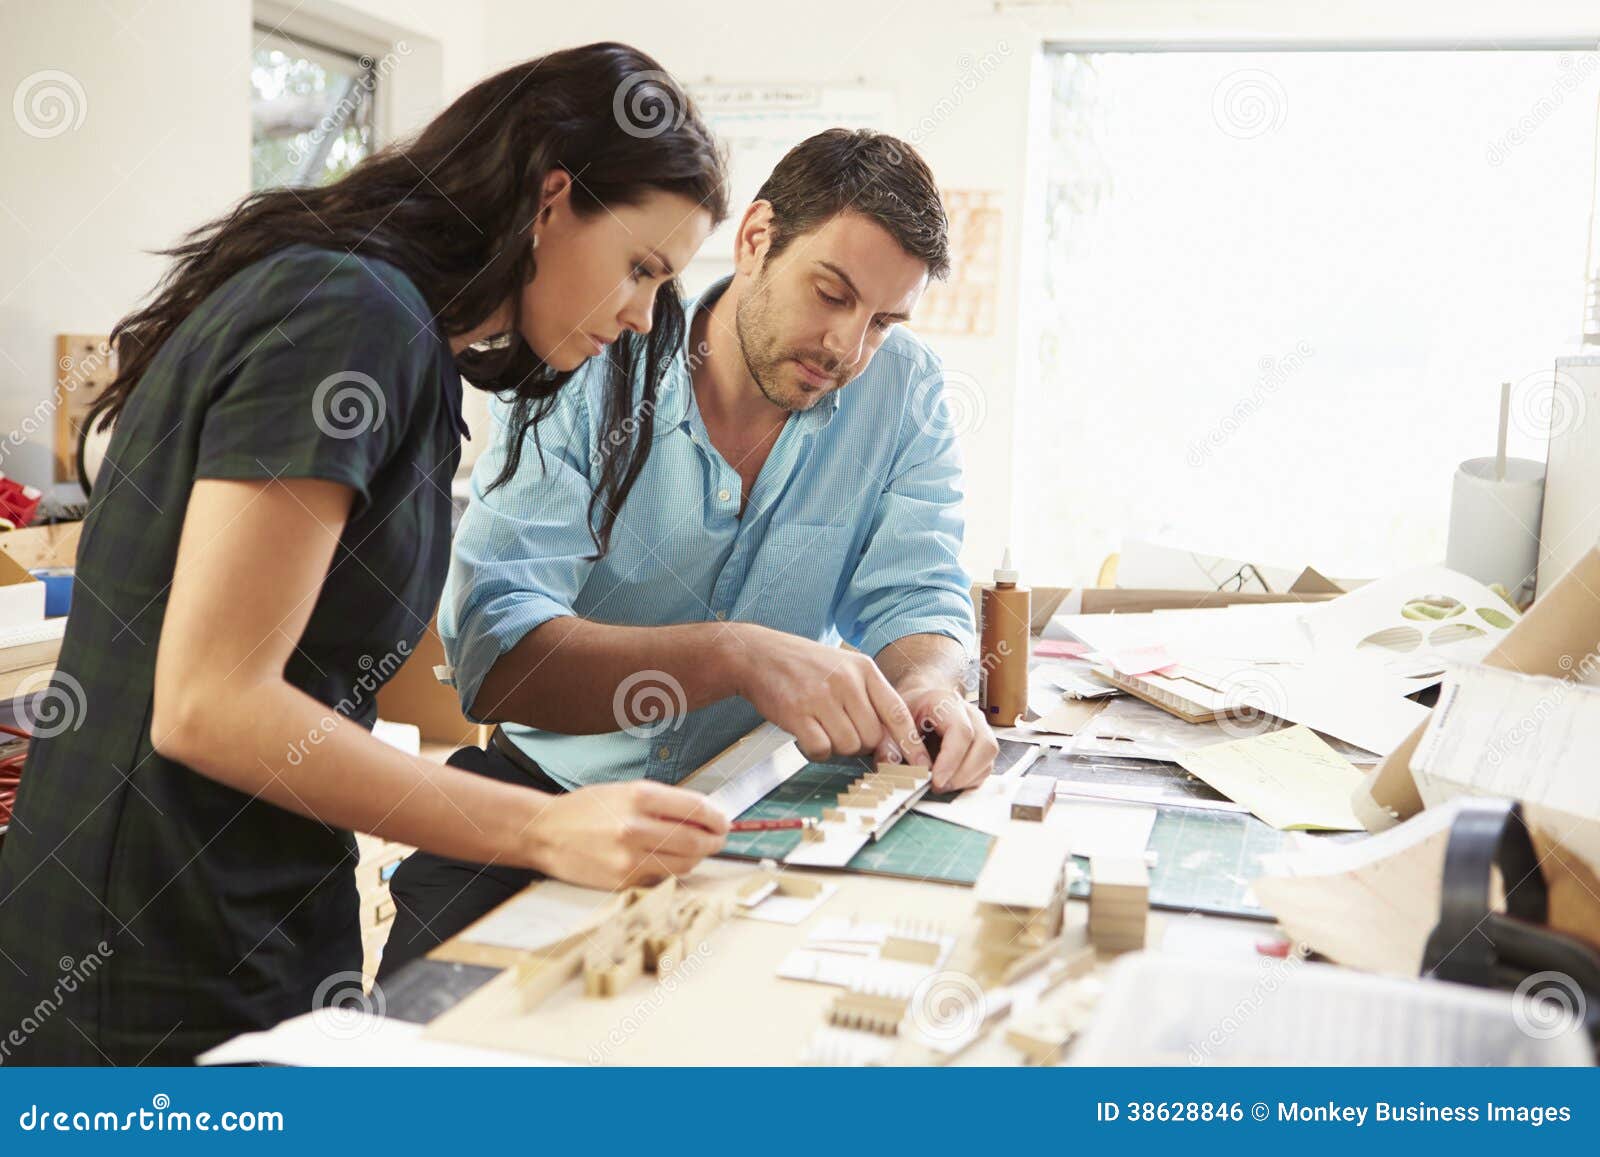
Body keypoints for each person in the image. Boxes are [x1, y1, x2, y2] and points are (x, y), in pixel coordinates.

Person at [0, 42, 731, 1066]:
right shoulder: (351, 317)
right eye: (642, 267)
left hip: (243, 905)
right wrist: (536, 829)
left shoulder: (392, 331)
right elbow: (211, 700)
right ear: (552, 198)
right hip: (153, 949)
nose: (644, 313)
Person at [383, 129, 995, 975]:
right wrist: (734, 656)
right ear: (754, 241)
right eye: (831, 294)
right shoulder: (589, 356)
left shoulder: (905, 390)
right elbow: (497, 658)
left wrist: (928, 682)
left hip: (750, 811)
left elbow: (915, 592)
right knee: (419, 1055)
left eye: (884, 322)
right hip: (549, 800)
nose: (846, 349)